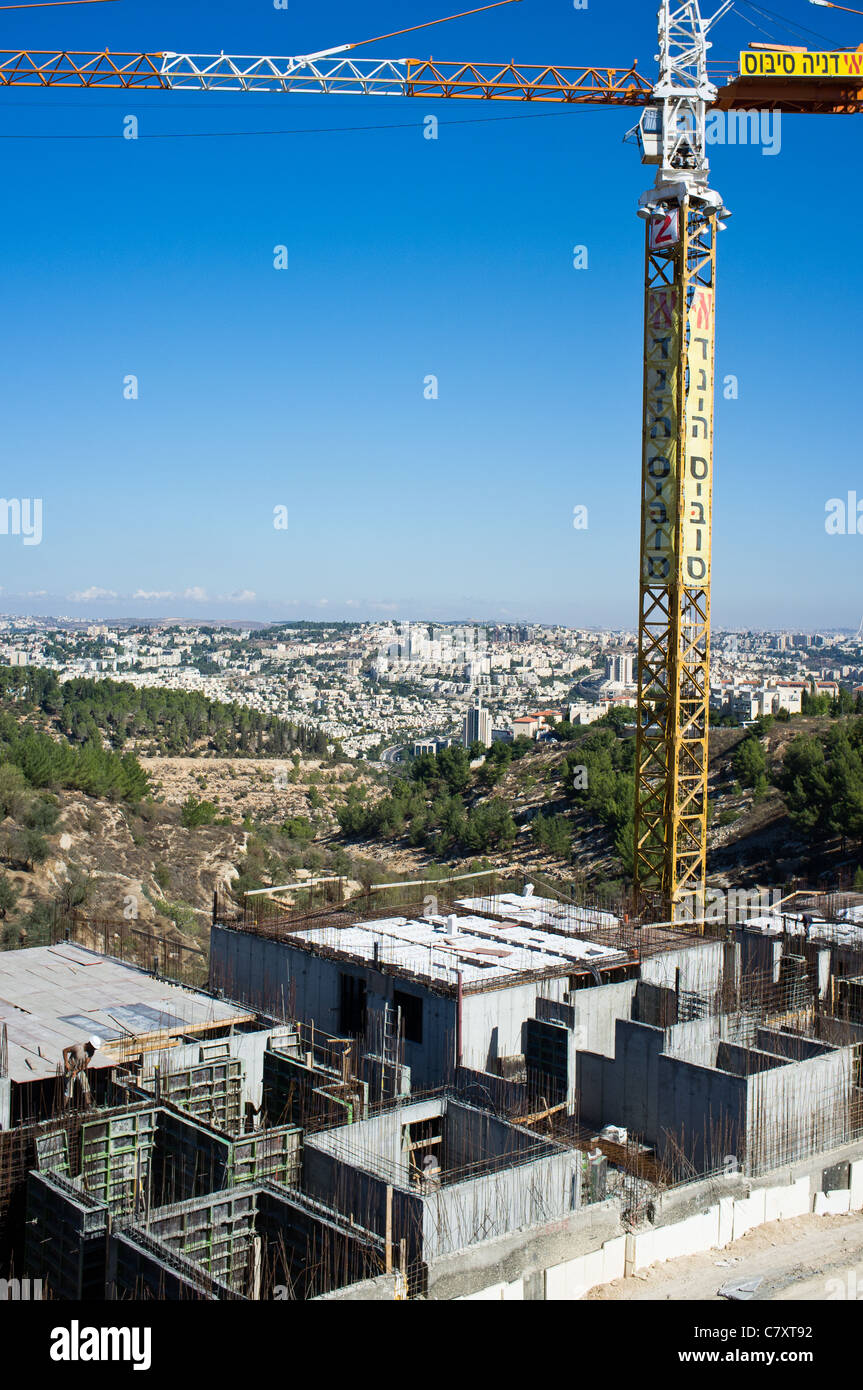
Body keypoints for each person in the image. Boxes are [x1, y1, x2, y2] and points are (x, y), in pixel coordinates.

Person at [62, 1036, 101, 1106]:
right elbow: (65, 1051)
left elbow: (85, 1064)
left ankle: (88, 1105)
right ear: (90, 1044)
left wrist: (76, 1071)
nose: (94, 1049)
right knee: (69, 1090)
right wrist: (66, 1063)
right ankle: (63, 1108)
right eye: (93, 1047)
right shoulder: (78, 1047)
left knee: (86, 1086)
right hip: (70, 1069)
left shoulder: (91, 1052)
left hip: (79, 1070)